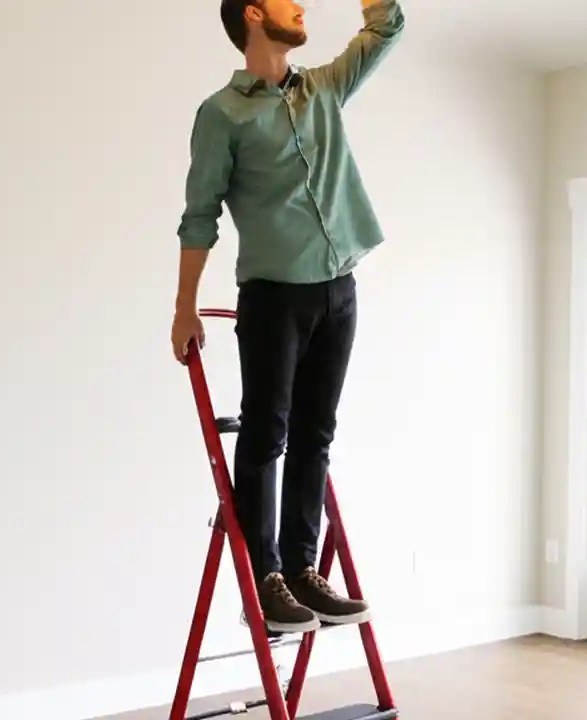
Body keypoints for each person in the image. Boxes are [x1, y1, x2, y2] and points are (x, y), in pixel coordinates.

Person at [171, 0, 405, 635]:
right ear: (253, 14)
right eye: (286, 0)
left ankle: (304, 570)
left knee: (316, 434)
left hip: (339, 291)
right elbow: (200, 214)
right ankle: (267, 580)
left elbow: (387, 27)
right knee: (267, 433)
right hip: (274, 297)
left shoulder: (324, 88)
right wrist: (185, 306)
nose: (301, 7)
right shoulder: (222, 114)